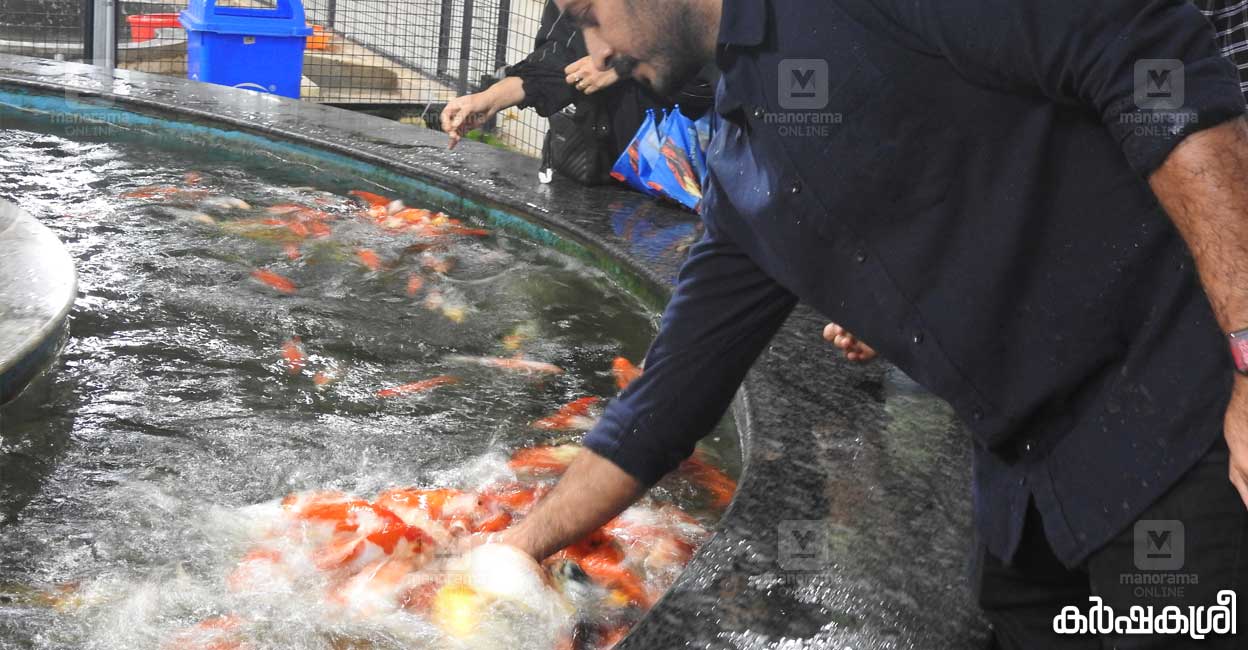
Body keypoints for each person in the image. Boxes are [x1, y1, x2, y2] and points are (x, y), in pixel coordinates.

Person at [490, 0, 1248, 647]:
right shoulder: (741, 167)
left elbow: (1147, 50)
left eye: (589, 16)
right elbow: (662, 404)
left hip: (1189, 431)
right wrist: (516, 548)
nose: (596, 53)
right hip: (1026, 493)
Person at [440, 0, 713, 176]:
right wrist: (488, 100)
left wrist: (623, 66)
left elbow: (708, 81)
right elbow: (554, 62)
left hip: (676, 176)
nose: (598, 51)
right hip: (588, 165)